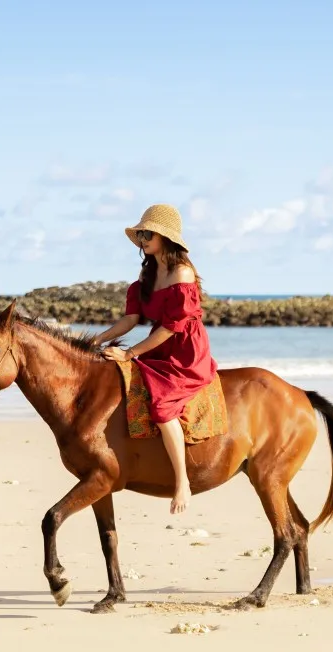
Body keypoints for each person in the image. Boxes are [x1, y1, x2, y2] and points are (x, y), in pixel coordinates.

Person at [91, 204, 218, 515]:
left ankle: (182, 482)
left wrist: (131, 352)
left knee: (162, 407)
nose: (143, 238)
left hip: (184, 351)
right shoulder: (146, 275)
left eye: (148, 233)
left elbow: (173, 327)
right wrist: (97, 339)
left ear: (165, 236)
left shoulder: (182, 273)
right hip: (157, 346)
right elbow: (130, 319)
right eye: (141, 234)